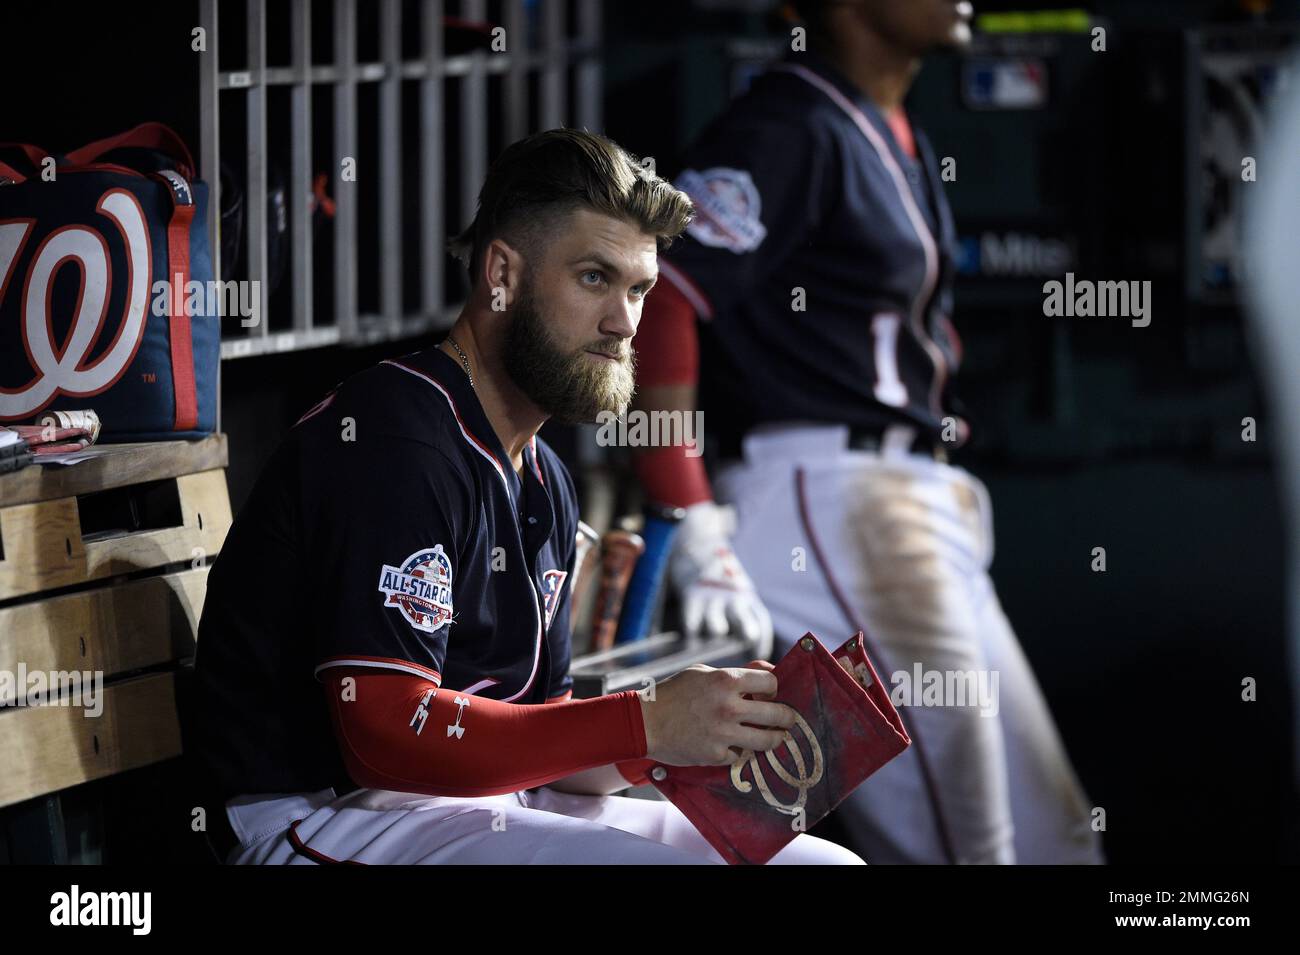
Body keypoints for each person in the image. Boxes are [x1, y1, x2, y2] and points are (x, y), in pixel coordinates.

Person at [183, 128, 863, 865]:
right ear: (502, 273)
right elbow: (381, 734)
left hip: (485, 806)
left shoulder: (544, 476)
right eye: (595, 278)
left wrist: (694, 729)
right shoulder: (396, 437)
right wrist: (643, 721)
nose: (624, 322)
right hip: (323, 815)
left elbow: (544, 735)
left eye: (639, 290)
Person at [631, 0, 1102, 864]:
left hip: (916, 502)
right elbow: (663, 294)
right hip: (833, 493)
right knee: (975, 848)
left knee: (1055, 839)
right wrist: (691, 520)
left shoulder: (885, 123)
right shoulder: (787, 120)